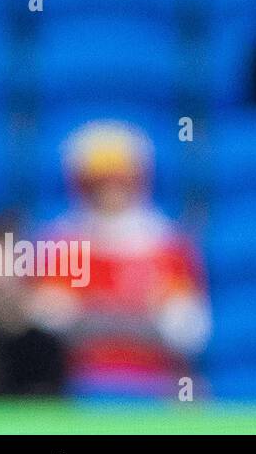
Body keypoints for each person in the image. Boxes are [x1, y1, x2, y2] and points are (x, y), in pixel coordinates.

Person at [30, 122, 210, 398]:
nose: (110, 192)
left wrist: (98, 317)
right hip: (79, 384)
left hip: (156, 382)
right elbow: (49, 321)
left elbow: (188, 329)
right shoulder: (62, 245)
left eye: (120, 181)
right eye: (99, 182)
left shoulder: (166, 245)